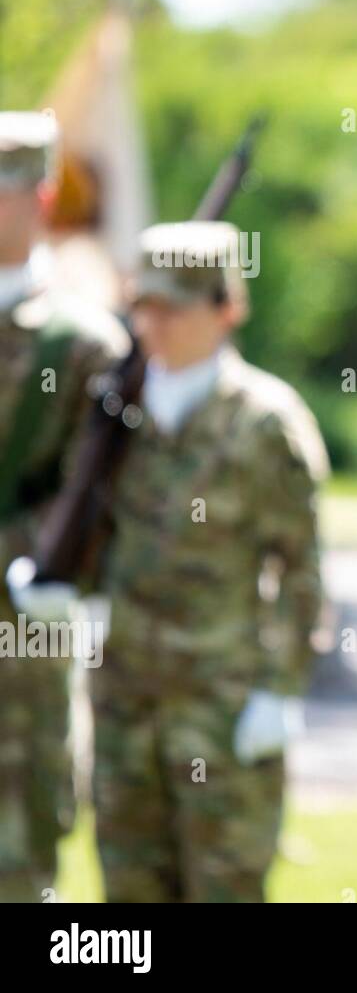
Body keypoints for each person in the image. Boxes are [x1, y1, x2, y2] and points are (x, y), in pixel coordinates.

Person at [91, 221, 330, 902]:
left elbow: (301, 568)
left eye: (175, 306)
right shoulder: (116, 410)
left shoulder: (265, 422)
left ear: (227, 307)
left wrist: (279, 690)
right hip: (125, 704)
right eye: (146, 305)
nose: (155, 322)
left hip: (222, 709)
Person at [0, 111, 130, 902]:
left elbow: (114, 489)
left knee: (25, 826)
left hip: (30, 619)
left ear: (42, 198)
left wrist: (72, 575)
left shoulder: (83, 340)